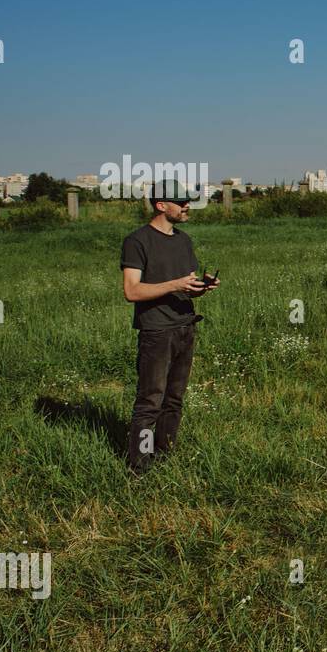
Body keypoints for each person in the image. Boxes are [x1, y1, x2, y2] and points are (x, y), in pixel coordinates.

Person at [120, 180, 220, 475]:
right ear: (161, 205)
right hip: (156, 332)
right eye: (181, 202)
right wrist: (175, 284)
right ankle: (140, 466)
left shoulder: (183, 240)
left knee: (174, 399)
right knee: (151, 401)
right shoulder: (137, 242)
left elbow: (186, 287)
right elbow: (132, 292)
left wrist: (201, 288)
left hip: (185, 327)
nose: (188, 206)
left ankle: (166, 455)